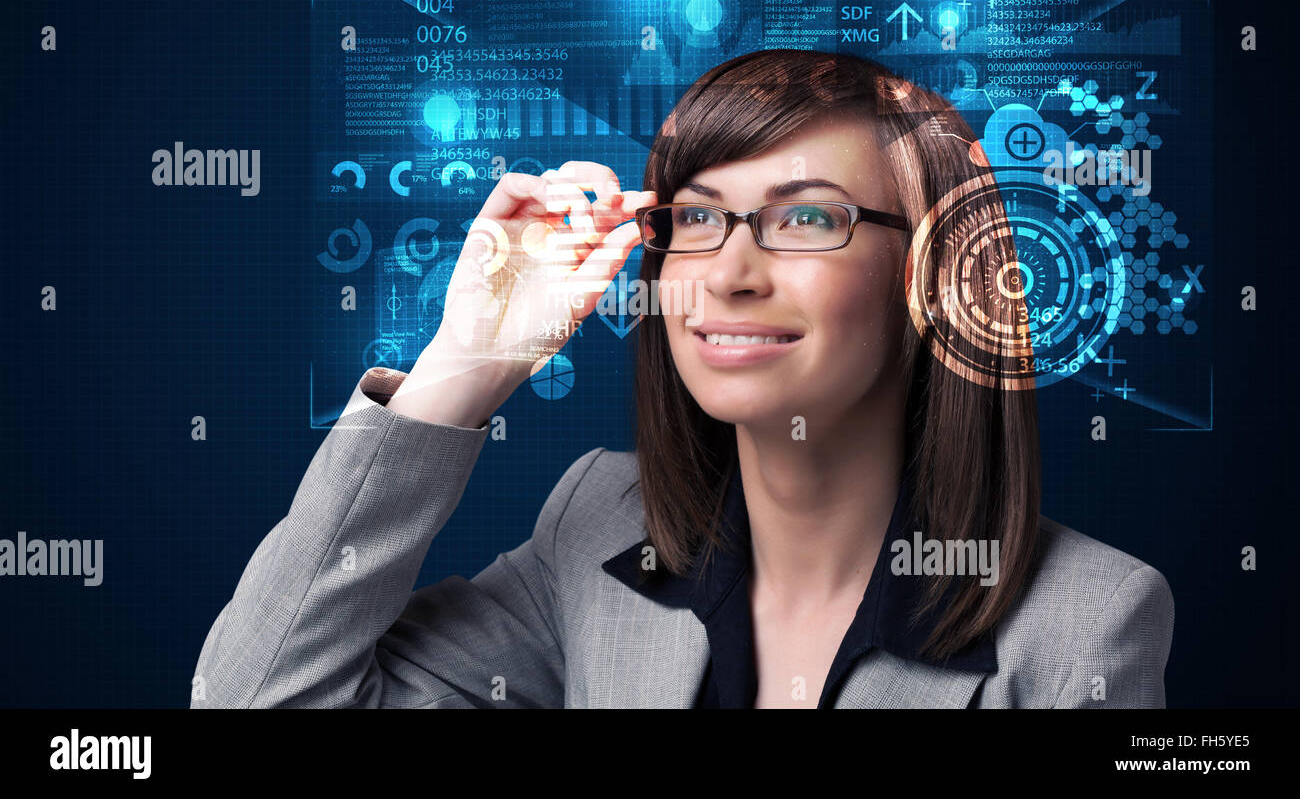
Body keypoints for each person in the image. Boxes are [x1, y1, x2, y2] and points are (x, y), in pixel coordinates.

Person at [190, 49, 1174, 708]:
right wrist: (463, 365)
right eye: (695, 219)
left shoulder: (1088, 619)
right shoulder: (598, 526)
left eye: (804, 218)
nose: (729, 273)